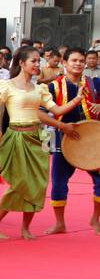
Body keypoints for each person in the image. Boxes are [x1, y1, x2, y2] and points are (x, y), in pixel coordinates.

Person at [0, 46, 78, 241]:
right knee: (20, 183)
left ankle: (25, 228)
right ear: (21, 63)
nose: (38, 65)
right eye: (34, 61)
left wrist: (78, 98)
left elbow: (58, 109)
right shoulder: (7, 85)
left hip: (40, 137)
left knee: (39, 183)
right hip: (16, 137)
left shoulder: (40, 88)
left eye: (39, 61)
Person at [45, 48, 100, 234]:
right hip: (63, 137)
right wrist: (61, 126)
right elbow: (42, 114)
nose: (78, 63)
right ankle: (60, 223)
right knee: (59, 181)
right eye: (74, 60)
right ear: (65, 63)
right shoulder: (53, 86)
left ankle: (95, 219)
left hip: (93, 140)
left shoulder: (95, 83)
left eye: (81, 60)